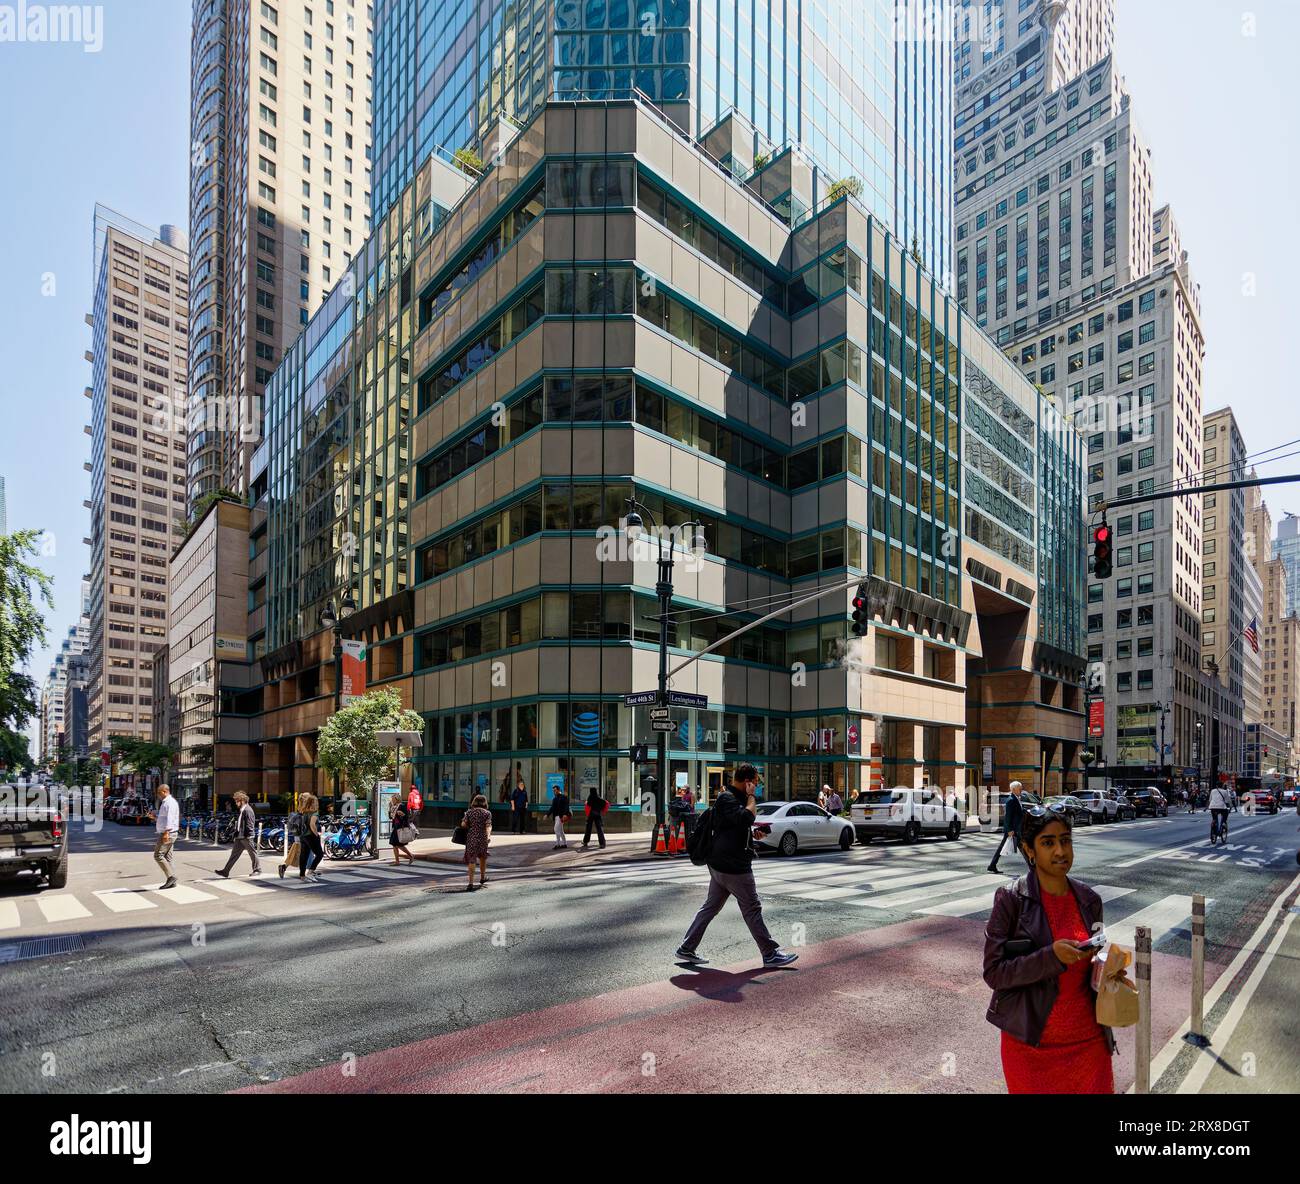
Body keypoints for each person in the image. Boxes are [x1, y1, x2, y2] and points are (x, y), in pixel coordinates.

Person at [983, 805, 1116, 1094]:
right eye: (1048, 842)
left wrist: (1109, 973)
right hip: (1031, 1046)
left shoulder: (1089, 900)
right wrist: (1050, 957)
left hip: (1089, 1043)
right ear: (1029, 850)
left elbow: (1092, 968)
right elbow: (994, 973)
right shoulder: (1011, 899)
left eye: (1065, 840)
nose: (1060, 851)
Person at [675, 762, 798, 969]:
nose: (756, 788)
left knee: (710, 907)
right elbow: (747, 817)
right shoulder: (728, 798)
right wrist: (751, 798)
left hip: (721, 865)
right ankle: (769, 953)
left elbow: (734, 827)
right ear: (748, 782)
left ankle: (687, 947)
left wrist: (753, 834)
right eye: (755, 783)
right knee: (752, 908)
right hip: (732, 866)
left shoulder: (731, 799)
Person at [217, 791, 262, 878]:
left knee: (252, 853)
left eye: (237, 800)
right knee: (234, 854)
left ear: (242, 800)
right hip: (240, 836)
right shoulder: (243, 810)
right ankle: (226, 871)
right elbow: (240, 823)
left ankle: (257, 870)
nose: (236, 802)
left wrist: (248, 835)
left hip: (246, 836)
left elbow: (250, 824)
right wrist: (236, 832)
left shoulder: (248, 810)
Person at [988, 780, 1027, 874]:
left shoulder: (1016, 798)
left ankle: (992, 865)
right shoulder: (1011, 800)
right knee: (1022, 847)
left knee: (1022, 847)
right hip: (1012, 830)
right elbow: (1008, 816)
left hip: (1016, 829)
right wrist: (1009, 829)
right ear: (1013, 789)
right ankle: (1033, 866)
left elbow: (1018, 812)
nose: (1021, 790)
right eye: (1019, 789)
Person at [148, 783, 180, 889]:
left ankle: (171, 877)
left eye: (159, 792)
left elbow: (170, 819)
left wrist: (166, 833)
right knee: (168, 857)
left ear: (164, 791)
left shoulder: (169, 803)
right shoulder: (166, 802)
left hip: (168, 833)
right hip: (169, 832)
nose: (158, 795)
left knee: (158, 855)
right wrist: (154, 817)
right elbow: (164, 819)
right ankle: (172, 880)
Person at [462, 793, 492, 890]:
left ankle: (470, 883)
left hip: (471, 838)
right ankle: (482, 878)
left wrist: (469, 826)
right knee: (483, 858)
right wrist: (488, 836)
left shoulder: (469, 812)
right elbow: (488, 826)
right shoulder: (487, 813)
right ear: (485, 803)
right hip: (482, 838)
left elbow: (463, 824)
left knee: (472, 859)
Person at [296, 792, 325, 883]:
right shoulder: (314, 813)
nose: (317, 804)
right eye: (316, 802)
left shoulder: (304, 811)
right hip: (311, 836)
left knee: (303, 856)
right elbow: (312, 824)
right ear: (314, 803)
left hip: (303, 836)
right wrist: (317, 834)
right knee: (320, 854)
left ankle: (302, 875)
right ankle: (310, 872)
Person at [389, 795, 416, 866]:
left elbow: (406, 816)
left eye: (393, 799)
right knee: (394, 844)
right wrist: (390, 808)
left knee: (398, 844)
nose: (392, 800)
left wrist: (402, 814)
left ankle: (410, 856)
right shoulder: (393, 807)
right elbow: (390, 817)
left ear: (397, 799)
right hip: (395, 827)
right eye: (392, 799)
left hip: (400, 827)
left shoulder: (402, 806)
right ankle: (397, 861)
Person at [548, 783, 571, 849]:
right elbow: (552, 808)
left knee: (556, 829)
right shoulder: (554, 799)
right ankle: (565, 843)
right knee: (560, 831)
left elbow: (566, 806)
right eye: (553, 790)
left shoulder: (564, 797)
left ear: (558, 790)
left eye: (555, 790)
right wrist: (547, 814)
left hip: (561, 816)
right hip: (556, 816)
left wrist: (565, 814)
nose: (554, 792)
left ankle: (557, 844)